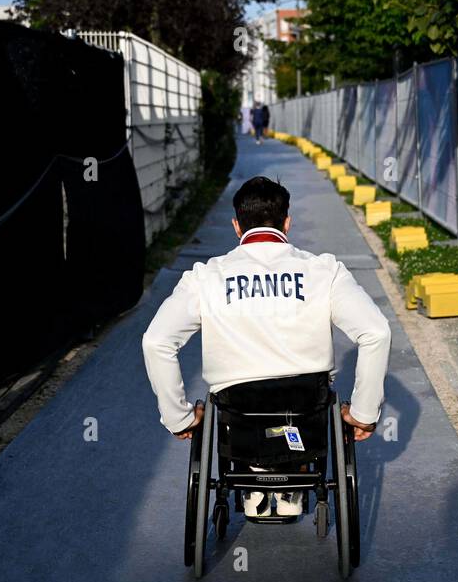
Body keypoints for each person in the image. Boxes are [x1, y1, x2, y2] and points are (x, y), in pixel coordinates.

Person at [142, 176, 391, 518]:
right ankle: (293, 478)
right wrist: (363, 413)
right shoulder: (325, 271)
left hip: (238, 406)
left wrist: (179, 417)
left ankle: (256, 480)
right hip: (306, 403)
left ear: (235, 225)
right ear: (287, 222)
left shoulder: (205, 276)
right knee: (302, 400)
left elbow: (157, 341)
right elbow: (375, 332)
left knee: (243, 403)